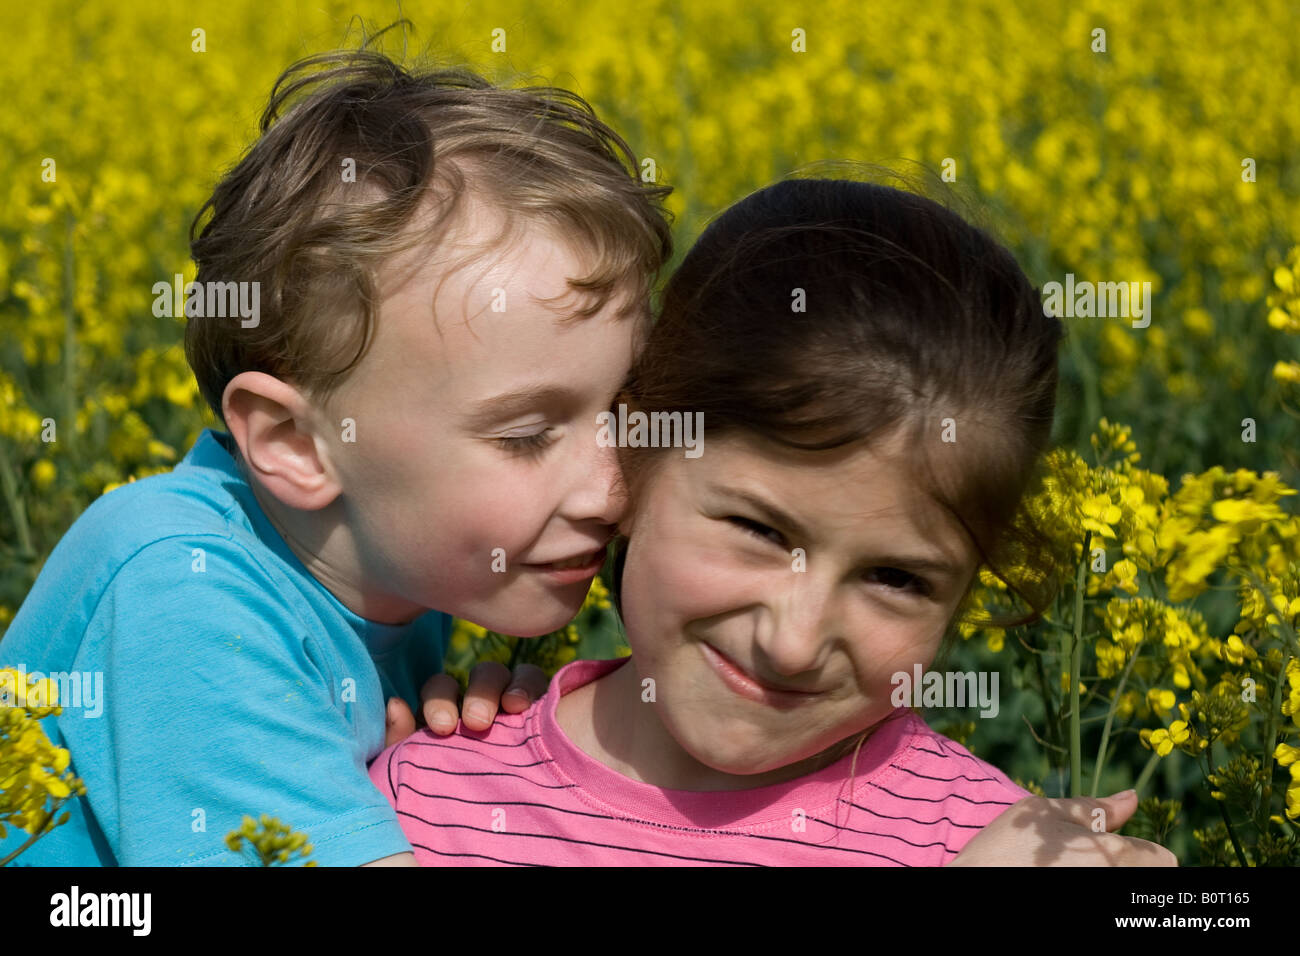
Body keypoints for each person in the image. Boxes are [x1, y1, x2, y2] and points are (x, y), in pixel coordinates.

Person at [371, 175, 1178, 865]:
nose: (793, 641)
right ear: (630, 461)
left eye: (896, 579)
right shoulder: (419, 805)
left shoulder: (997, 844)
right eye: (760, 532)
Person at [0, 47, 671, 866]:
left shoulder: (390, 573)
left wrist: (495, 762)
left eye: (625, 413)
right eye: (526, 435)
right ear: (294, 445)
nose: (612, 490)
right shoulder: (181, 593)